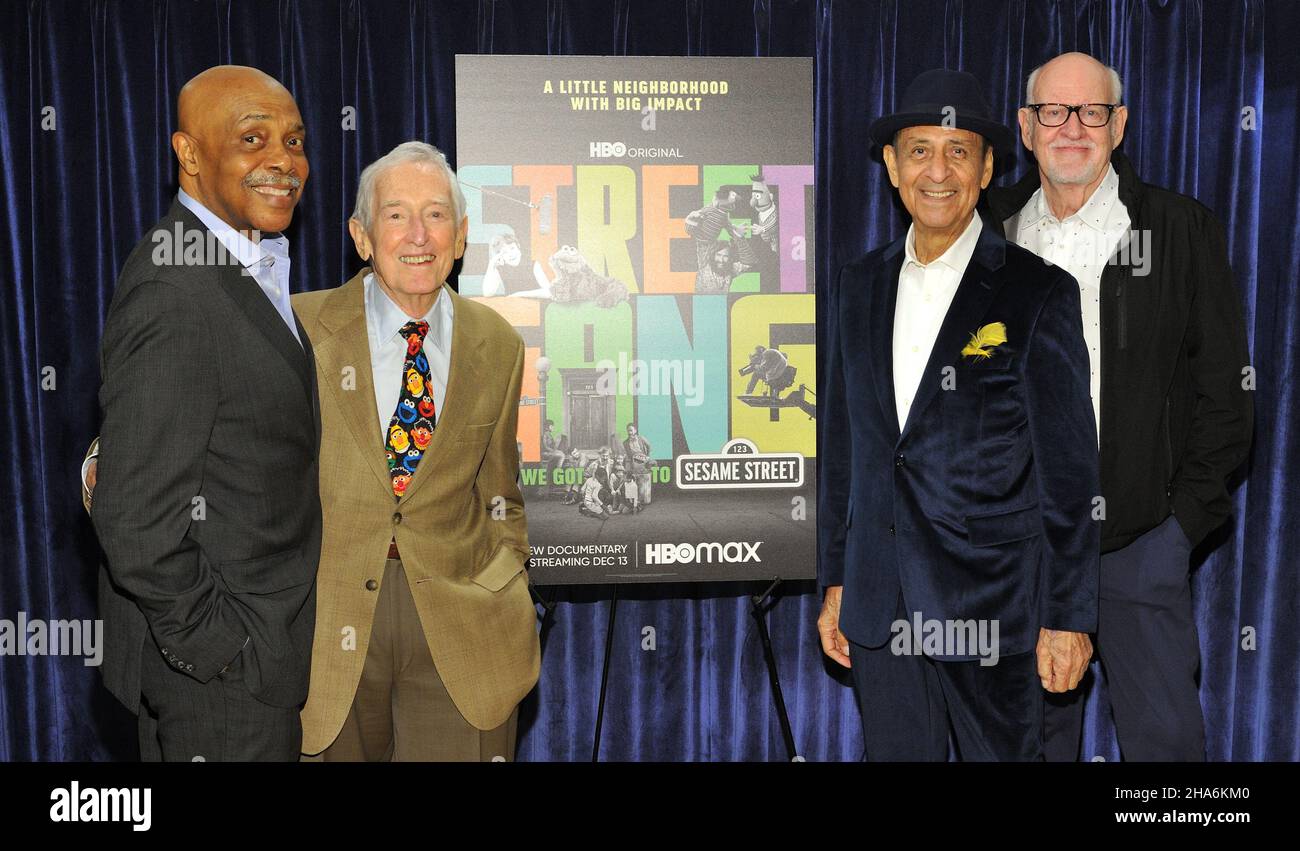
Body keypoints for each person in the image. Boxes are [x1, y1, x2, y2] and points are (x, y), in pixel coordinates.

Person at [817, 69, 1099, 760]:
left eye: (958, 151)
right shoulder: (858, 285)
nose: (937, 171)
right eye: (918, 150)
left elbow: (1070, 475)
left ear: (988, 166)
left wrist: (1069, 616)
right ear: (891, 164)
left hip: (994, 612)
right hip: (879, 605)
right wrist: (835, 579)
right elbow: (844, 451)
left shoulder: (1038, 293)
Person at [986, 53, 1254, 761]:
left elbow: (1228, 398)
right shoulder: (986, 235)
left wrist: (1176, 532)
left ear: (1120, 124)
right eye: (1053, 111)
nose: (1072, 128)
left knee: (1170, 765)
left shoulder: (1179, 229)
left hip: (1141, 550)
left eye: (1092, 111)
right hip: (1021, 556)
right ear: (1025, 126)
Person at [91, 65, 320, 762]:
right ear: (188, 155)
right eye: (254, 139)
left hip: (245, 673)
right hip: (221, 691)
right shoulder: (176, 294)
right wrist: (224, 650)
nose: (284, 160)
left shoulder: (238, 264)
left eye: (294, 140)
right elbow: (134, 520)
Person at [292, 142, 538, 761]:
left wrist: (505, 576)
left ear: (460, 237)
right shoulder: (297, 327)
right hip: (326, 630)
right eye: (396, 214)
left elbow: (501, 491)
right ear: (362, 236)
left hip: (463, 628)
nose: (417, 234)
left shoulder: (499, 343)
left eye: (435, 215)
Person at [481, 231, 552, 298]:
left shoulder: (532, 264)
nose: (511, 254)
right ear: (500, 255)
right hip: (513, 307)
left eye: (512, 248)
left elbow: (549, 292)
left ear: (518, 247)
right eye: (505, 252)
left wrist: (519, 294)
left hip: (535, 306)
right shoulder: (500, 268)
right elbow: (487, 293)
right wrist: (491, 265)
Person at [623, 423, 653, 509]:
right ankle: (635, 500)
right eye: (628, 430)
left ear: (635, 430)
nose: (630, 432)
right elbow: (628, 455)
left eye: (631, 430)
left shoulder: (641, 438)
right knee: (633, 478)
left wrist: (647, 456)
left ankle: (644, 499)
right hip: (634, 461)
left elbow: (649, 446)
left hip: (643, 460)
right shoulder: (625, 442)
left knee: (644, 479)